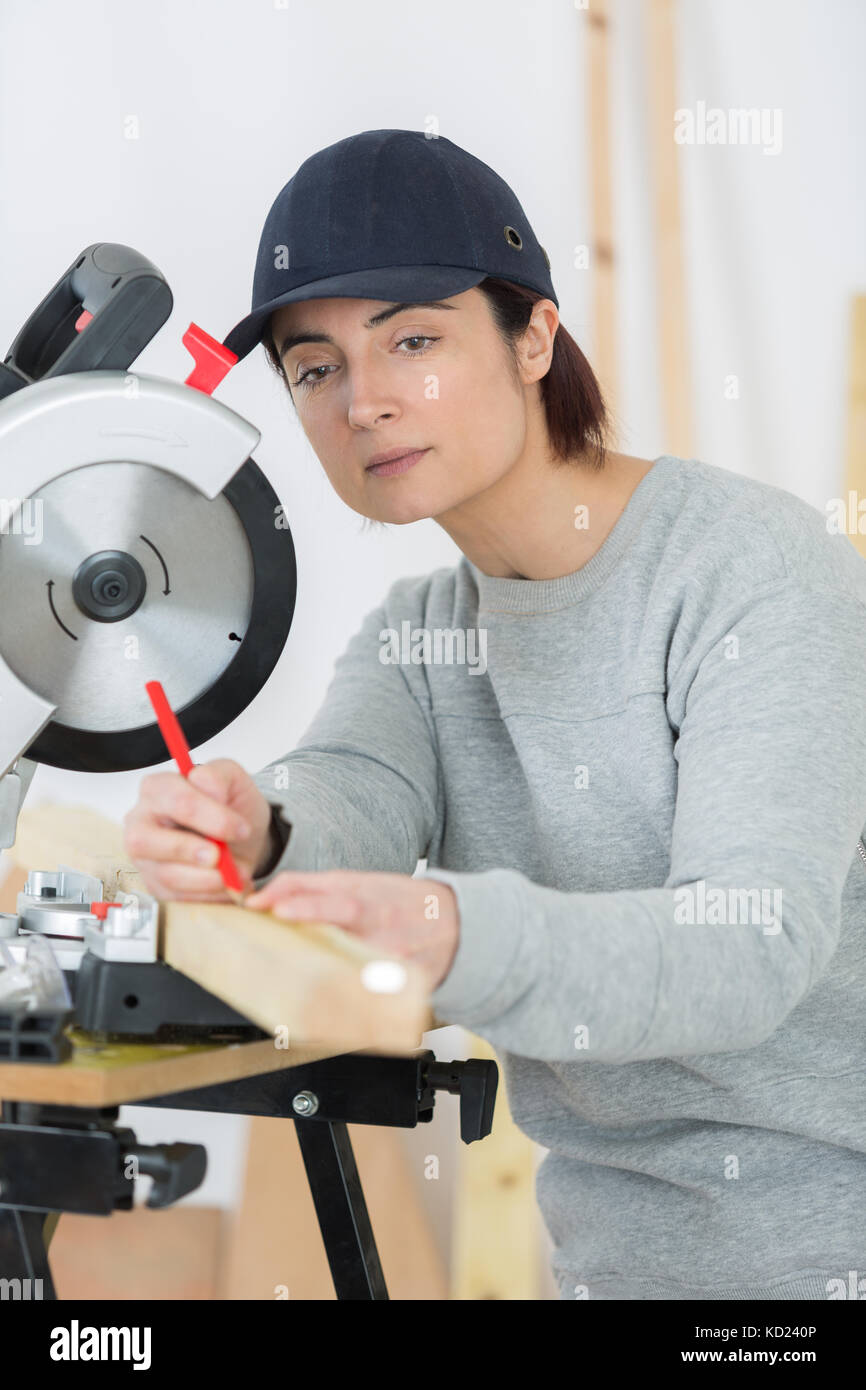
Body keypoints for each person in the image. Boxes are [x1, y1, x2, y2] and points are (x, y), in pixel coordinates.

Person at [123, 128, 866, 1301]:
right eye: (314, 367)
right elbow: (351, 790)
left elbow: (748, 946)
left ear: (533, 336)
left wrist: (456, 935)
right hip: (603, 1274)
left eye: (411, 340)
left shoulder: (749, 570)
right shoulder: (425, 631)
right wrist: (253, 827)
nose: (363, 401)